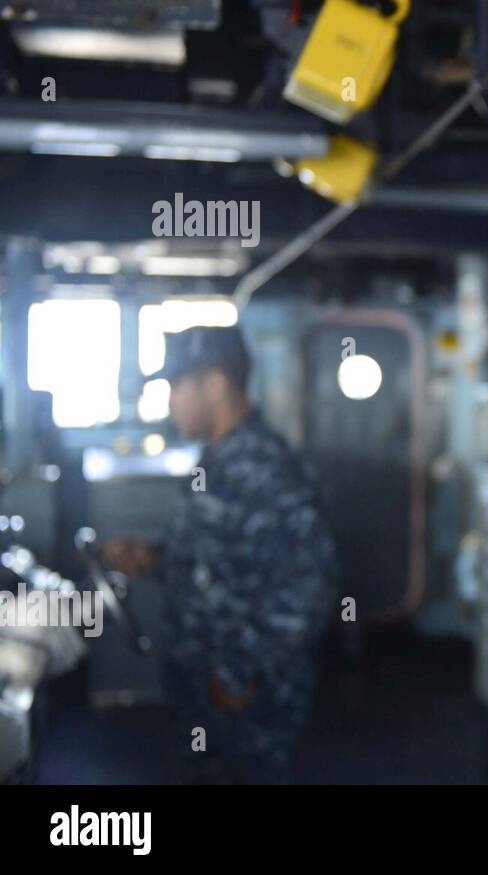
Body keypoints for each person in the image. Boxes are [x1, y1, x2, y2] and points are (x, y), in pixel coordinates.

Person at [104, 325, 338, 783]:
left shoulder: (267, 469)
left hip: (250, 698)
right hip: (201, 686)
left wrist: (237, 671)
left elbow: (311, 587)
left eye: (176, 387)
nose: (170, 402)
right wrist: (154, 557)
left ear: (214, 384)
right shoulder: (216, 459)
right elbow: (217, 558)